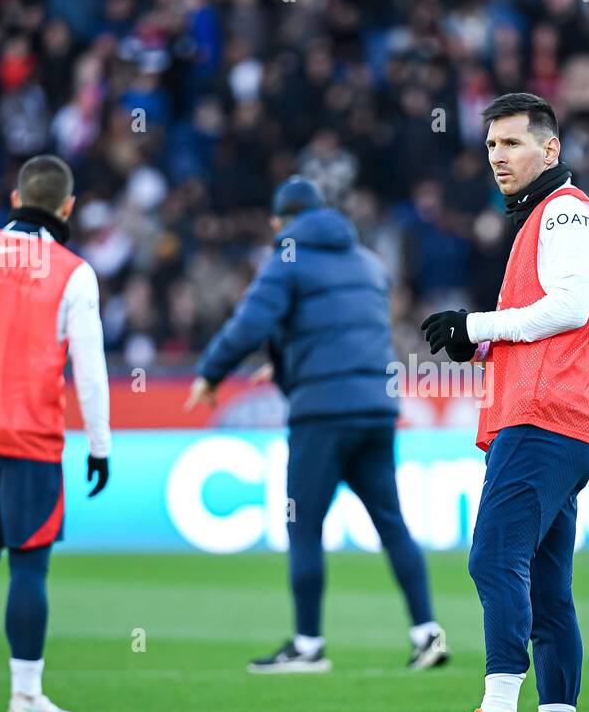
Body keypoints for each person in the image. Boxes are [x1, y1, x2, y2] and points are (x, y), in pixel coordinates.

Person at [416, 93, 589, 712]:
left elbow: (569, 305)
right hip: (559, 420)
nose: (498, 157)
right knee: (550, 593)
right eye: (492, 145)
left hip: (541, 419)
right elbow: (552, 319)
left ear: (550, 150)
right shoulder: (547, 217)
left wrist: (476, 325)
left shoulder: (560, 211)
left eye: (513, 144)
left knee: (492, 557)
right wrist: (478, 347)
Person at [185, 177, 446, 673]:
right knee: (392, 523)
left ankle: (308, 646)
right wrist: (285, 364)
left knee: (302, 526)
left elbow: (250, 325)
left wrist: (211, 372)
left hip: (322, 414)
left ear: (280, 221)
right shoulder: (369, 263)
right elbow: (341, 331)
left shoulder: (285, 260)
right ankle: (426, 633)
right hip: (376, 408)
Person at [0, 154, 111, 712]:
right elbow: (89, 369)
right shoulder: (73, 271)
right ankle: (26, 695)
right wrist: (100, 446)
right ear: (68, 207)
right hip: (28, 434)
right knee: (29, 565)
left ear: (15, 200)